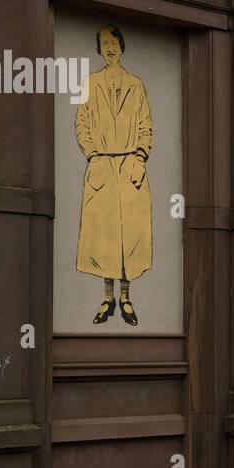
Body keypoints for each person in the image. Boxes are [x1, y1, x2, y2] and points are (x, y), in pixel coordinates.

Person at [74, 24, 154, 326]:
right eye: (104, 43)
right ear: (100, 49)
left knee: (130, 237)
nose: (110, 48)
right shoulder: (90, 83)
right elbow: (81, 122)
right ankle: (107, 299)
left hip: (130, 167)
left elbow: (146, 126)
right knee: (105, 236)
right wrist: (92, 154)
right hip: (102, 167)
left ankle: (125, 298)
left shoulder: (136, 85)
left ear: (122, 47)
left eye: (114, 43)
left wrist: (140, 157)